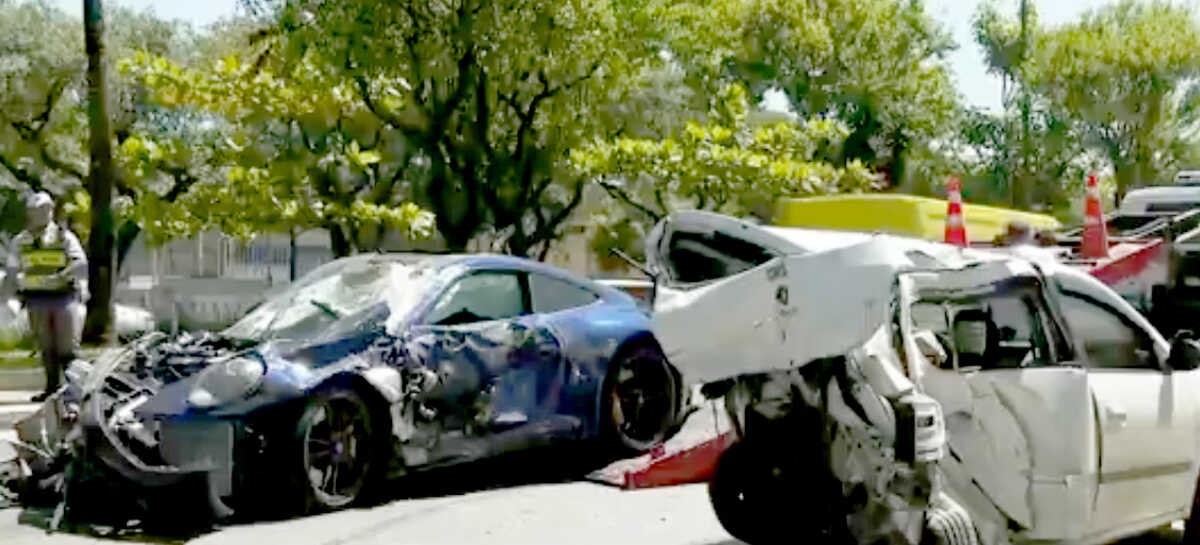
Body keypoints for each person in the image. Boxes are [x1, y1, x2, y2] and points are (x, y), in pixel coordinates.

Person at [6, 192, 88, 402]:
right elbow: (12, 267)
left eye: (44, 210)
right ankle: (52, 390)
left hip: (63, 297)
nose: (41, 215)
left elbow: (79, 262)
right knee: (46, 347)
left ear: (51, 211)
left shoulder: (64, 237)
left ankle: (74, 391)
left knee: (67, 347)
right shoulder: (21, 240)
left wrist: (62, 275)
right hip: (36, 299)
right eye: (36, 211)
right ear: (29, 214)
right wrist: (15, 284)